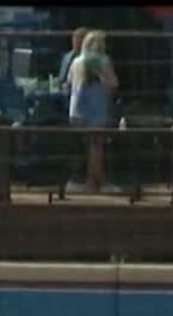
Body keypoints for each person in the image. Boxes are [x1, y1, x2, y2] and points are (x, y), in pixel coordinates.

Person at [66, 30, 121, 196]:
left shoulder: (76, 61)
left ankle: (86, 181)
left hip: (77, 109)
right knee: (96, 148)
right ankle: (96, 182)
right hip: (96, 110)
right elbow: (113, 83)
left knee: (84, 148)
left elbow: (68, 82)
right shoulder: (103, 61)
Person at [57, 27, 87, 94]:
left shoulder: (89, 59)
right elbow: (62, 76)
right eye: (74, 39)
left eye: (78, 40)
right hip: (65, 91)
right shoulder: (67, 57)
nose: (75, 42)